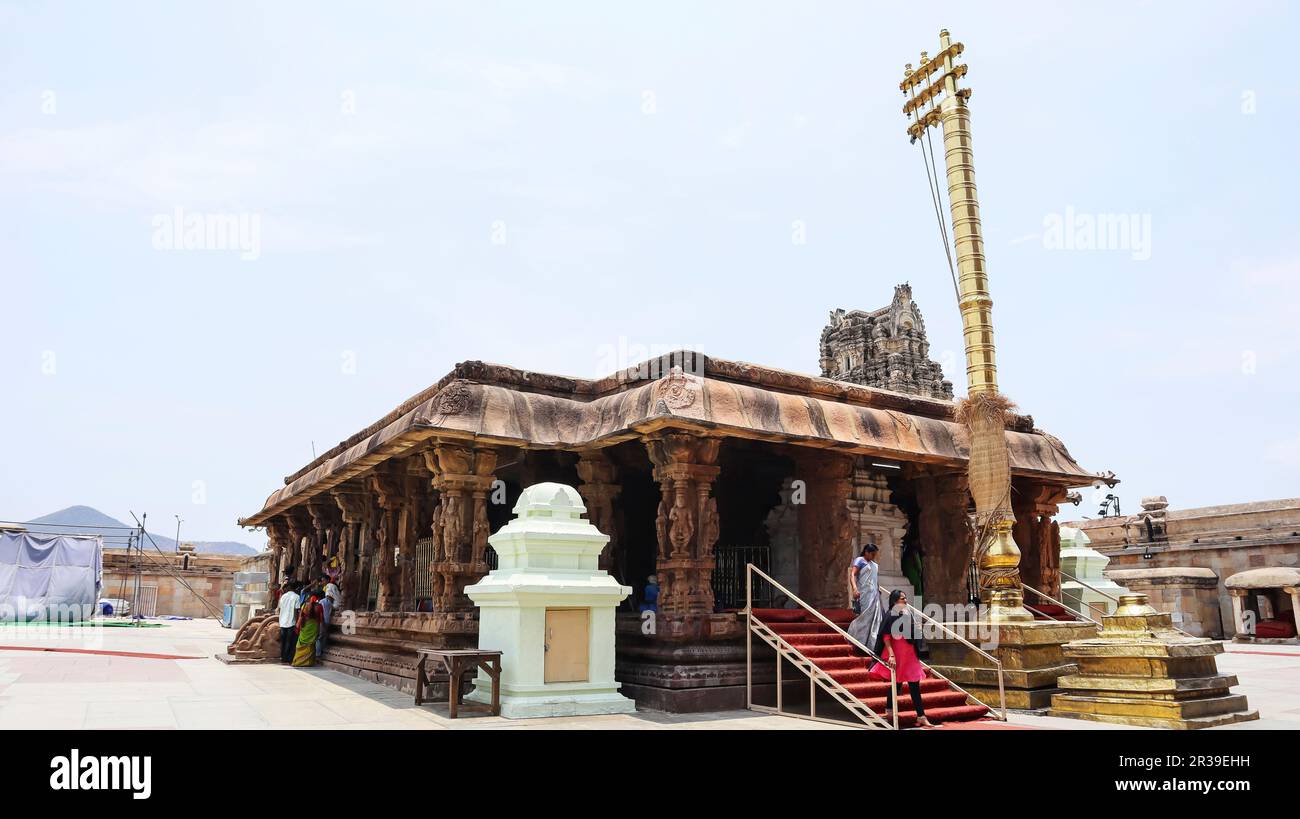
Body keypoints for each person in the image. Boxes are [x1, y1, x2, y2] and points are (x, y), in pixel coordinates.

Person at [868, 589, 933, 728]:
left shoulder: (908, 614)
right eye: (903, 598)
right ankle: (890, 711)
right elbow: (886, 636)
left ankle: (921, 716)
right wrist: (891, 654)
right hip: (897, 655)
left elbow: (912, 634)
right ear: (895, 600)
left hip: (910, 656)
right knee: (896, 684)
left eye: (905, 598)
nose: (906, 600)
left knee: (914, 685)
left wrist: (916, 629)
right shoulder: (890, 614)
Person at [847, 544, 882, 651]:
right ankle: (855, 636)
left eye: (875, 554)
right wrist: (854, 589)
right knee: (864, 617)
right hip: (864, 593)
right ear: (866, 552)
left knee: (875, 619)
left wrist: (878, 589)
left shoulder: (874, 564)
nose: (873, 556)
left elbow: (875, 579)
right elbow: (852, 575)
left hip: (874, 593)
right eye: (872, 554)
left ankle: (870, 643)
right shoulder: (860, 560)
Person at [292, 594, 323, 668]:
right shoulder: (319, 607)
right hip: (314, 627)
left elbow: (300, 617)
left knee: (300, 644)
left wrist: (297, 626)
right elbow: (321, 619)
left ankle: (298, 662)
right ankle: (308, 662)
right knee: (311, 645)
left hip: (305, 627)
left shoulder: (304, 606)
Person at [276, 581, 301, 664]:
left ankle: (283, 657)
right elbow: (297, 610)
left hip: (282, 621)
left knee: (284, 641)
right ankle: (289, 658)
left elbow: (279, 608)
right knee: (290, 641)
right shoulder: (297, 597)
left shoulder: (283, 597)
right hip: (292, 622)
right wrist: (297, 622)